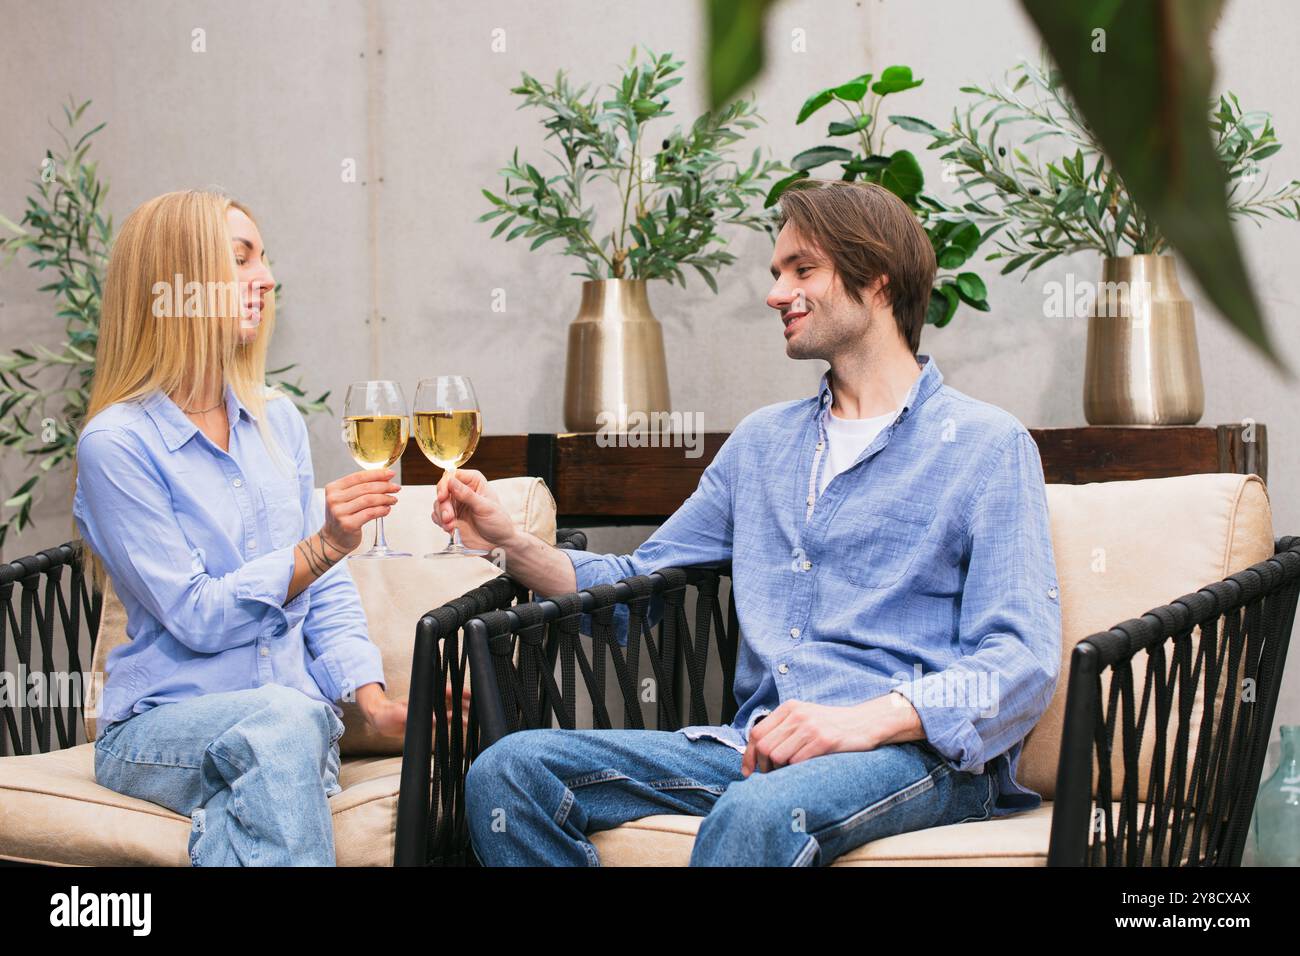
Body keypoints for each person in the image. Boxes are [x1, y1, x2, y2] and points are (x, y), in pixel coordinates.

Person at [442, 179, 1063, 866]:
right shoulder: (762, 444)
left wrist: (858, 722)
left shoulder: (987, 445)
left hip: (914, 757)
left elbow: (1020, 660)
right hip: (753, 752)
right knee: (510, 772)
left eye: (802, 269)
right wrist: (508, 539)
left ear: (878, 281)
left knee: (761, 812)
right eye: (776, 274)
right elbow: (634, 582)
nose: (774, 293)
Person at [74, 189, 410, 866]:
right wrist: (318, 547)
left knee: (287, 734)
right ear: (175, 288)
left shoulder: (276, 419)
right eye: (239, 259)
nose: (267, 278)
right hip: (159, 732)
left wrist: (370, 702)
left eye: (264, 258)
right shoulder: (116, 445)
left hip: (292, 729)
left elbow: (324, 590)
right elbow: (197, 616)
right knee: (288, 724)